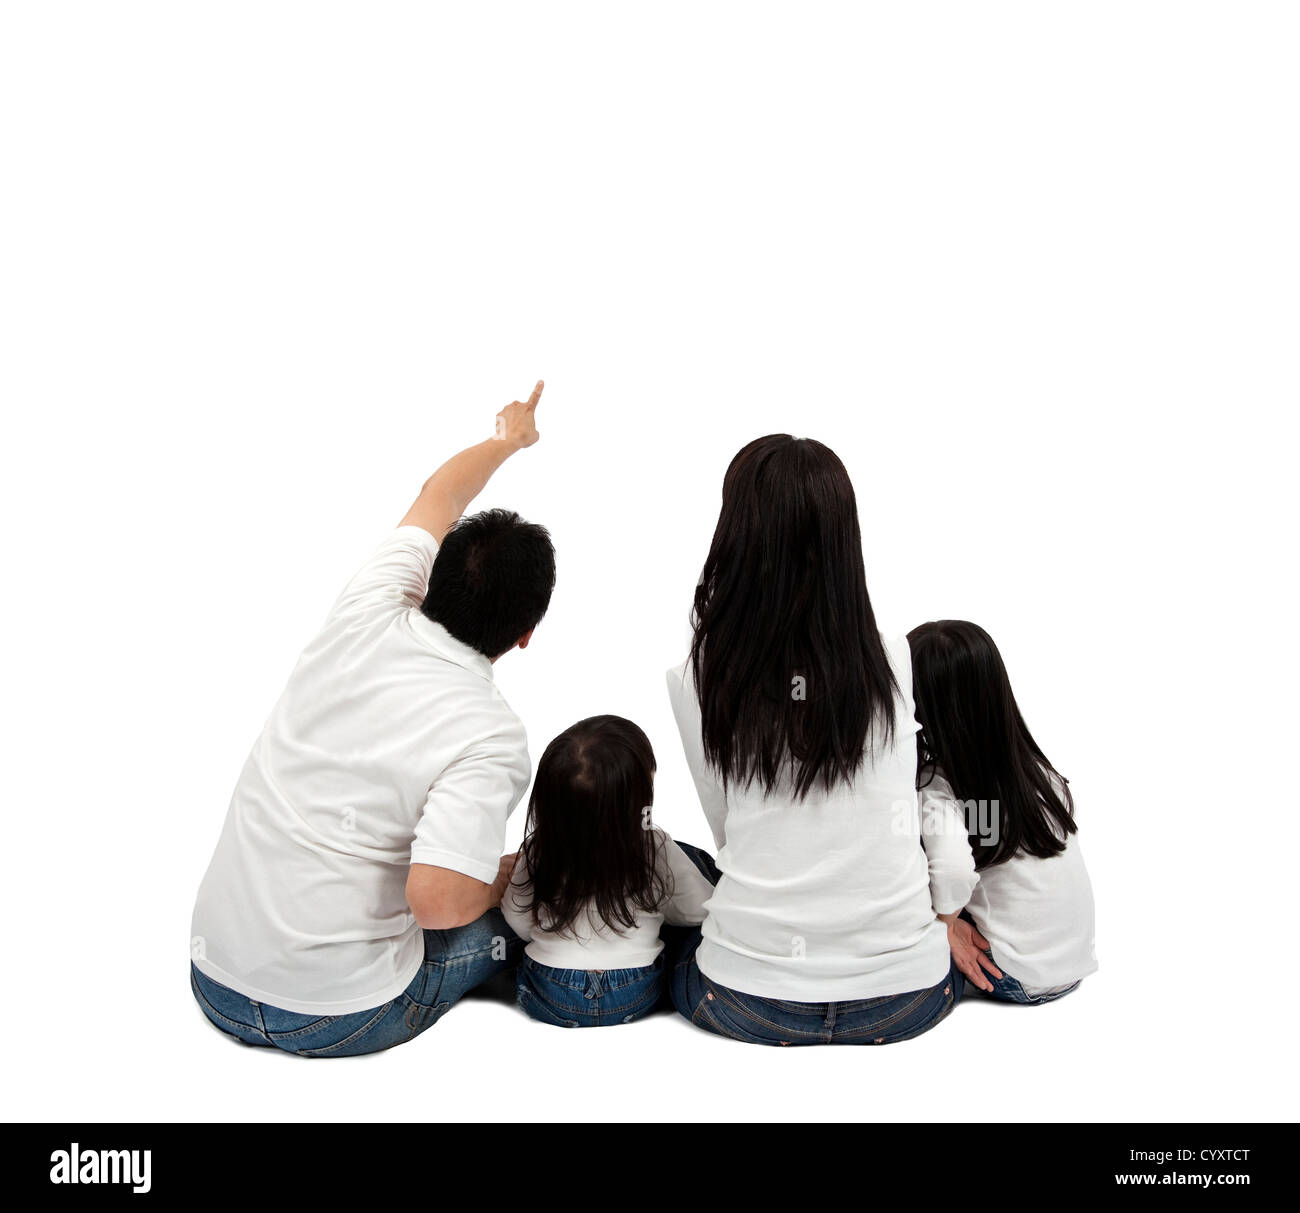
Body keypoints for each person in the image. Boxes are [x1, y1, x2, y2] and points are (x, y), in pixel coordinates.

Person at [189, 382, 555, 1056]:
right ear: (526, 634)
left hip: (213, 977)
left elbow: (439, 496)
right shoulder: (489, 731)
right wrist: (506, 874)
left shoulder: (372, 599)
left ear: (433, 571)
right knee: (521, 908)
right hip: (340, 1014)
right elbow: (438, 902)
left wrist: (507, 439)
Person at [664, 435, 976, 1045]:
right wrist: (944, 919)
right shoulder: (893, 659)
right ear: (844, 544)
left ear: (735, 534)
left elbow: (729, 831)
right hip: (906, 998)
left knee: (678, 884)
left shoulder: (695, 680)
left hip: (749, 1002)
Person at [907, 620, 1097, 1004]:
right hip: (1071, 965)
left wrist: (945, 927)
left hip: (1013, 971)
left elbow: (954, 869)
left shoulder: (938, 785)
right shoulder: (1039, 772)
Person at [502, 715, 715, 1028]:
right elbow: (700, 910)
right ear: (638, 794)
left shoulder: (538, 847)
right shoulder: (654, 845)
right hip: (634, 990)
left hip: (551, 990)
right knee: (698, 863)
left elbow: (516, 915)